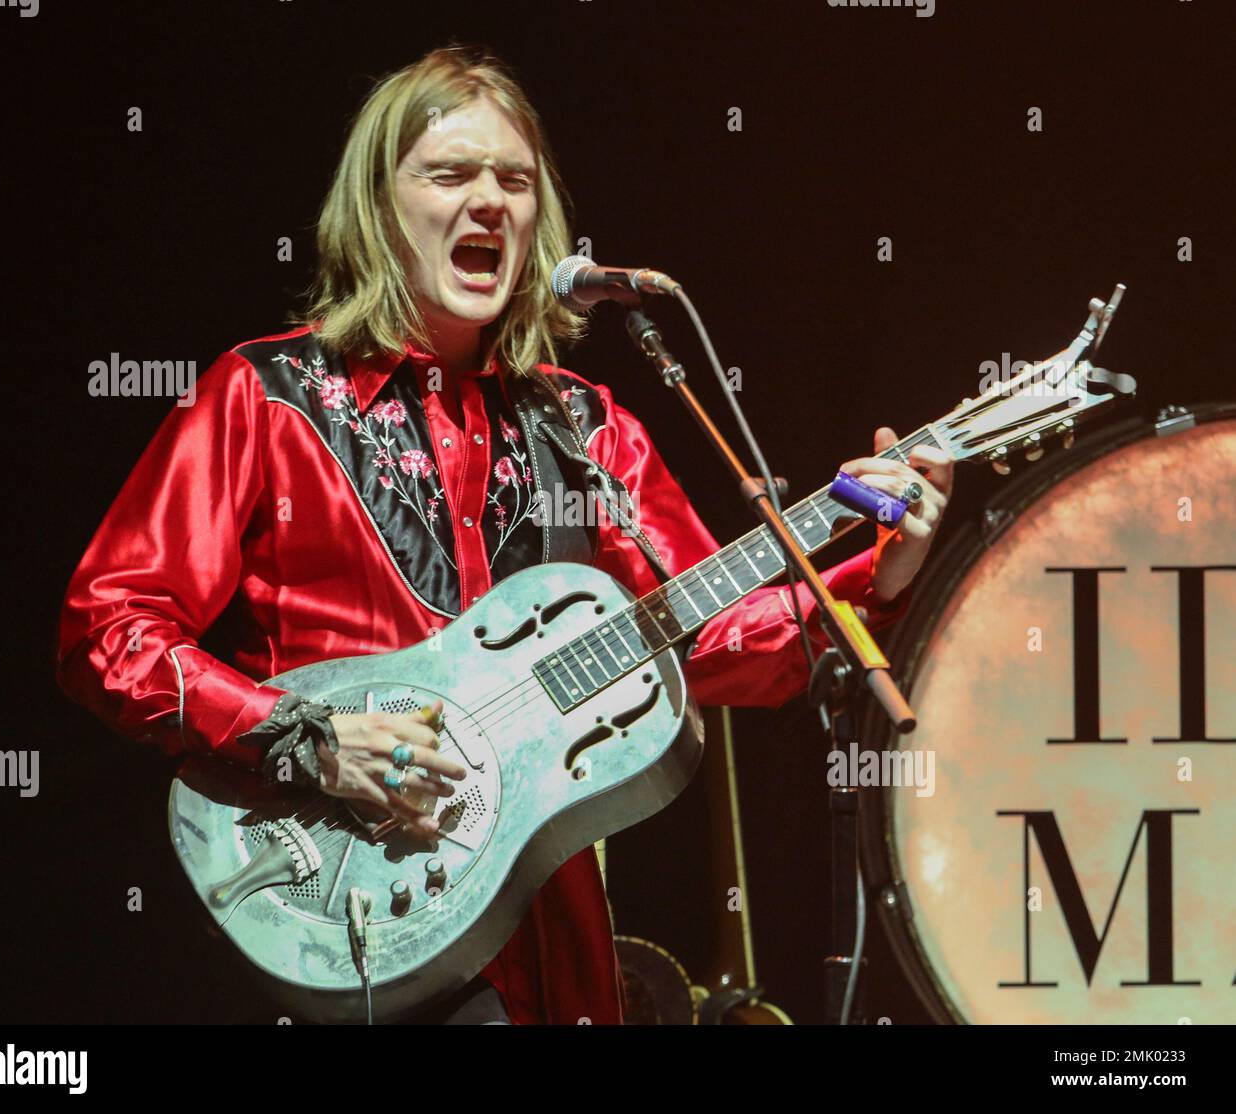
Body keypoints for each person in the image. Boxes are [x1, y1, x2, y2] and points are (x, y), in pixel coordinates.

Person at [55, 45, 953, 1025]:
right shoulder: (264, 397)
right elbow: (109, 626)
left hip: (544, 947)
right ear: (380, 206)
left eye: (515, 181)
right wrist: (303, 737)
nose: (490, 201)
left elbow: (707, 638)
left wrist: (879, 571)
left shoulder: (589, 426)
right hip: (333, 902)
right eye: (450, 174)